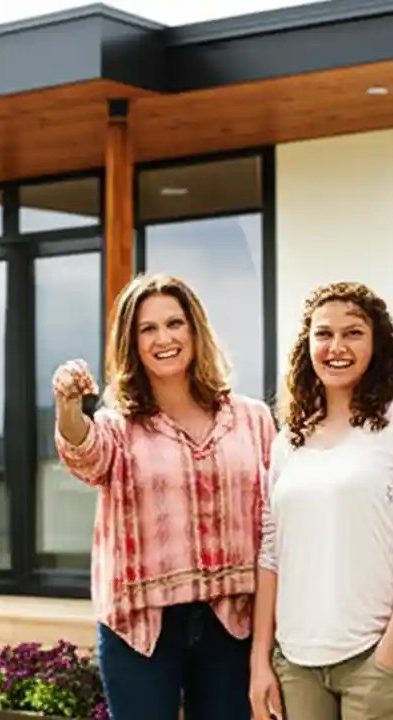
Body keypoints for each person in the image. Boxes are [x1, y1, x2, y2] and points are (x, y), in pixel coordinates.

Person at [52, 272, 277, 720]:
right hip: (140, 626)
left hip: (233, 620)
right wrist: (68, 409)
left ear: (195, 329)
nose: (164, 338)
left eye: (174, 323)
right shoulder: (117, 425)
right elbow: (86, 457)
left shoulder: (252, 419)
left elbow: (273, 520)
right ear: (132, 343)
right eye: (147, 329)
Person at [249, 281, 393, 720]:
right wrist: (260, 662)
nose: (336, 346)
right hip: (296, 665)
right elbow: (271, 555)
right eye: (323, 334)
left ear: (377, 342)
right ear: (307, 345)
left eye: (353, 333)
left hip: (376, 659)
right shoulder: (289, 441)